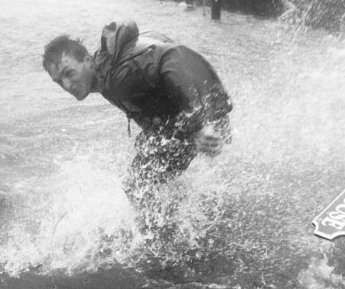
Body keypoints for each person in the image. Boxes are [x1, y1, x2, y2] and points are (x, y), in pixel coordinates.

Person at [42, 19, 232, 210]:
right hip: (194, 114)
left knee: (136, 187)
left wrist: (200, 124)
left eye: (69, 73)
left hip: (201, 114)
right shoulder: (107, 69)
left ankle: (178, 219)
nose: (67, 85)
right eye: (59, 81)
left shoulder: (119, 75)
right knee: (140, 182)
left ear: (88, 61)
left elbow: (175, 56)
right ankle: (184, 212)